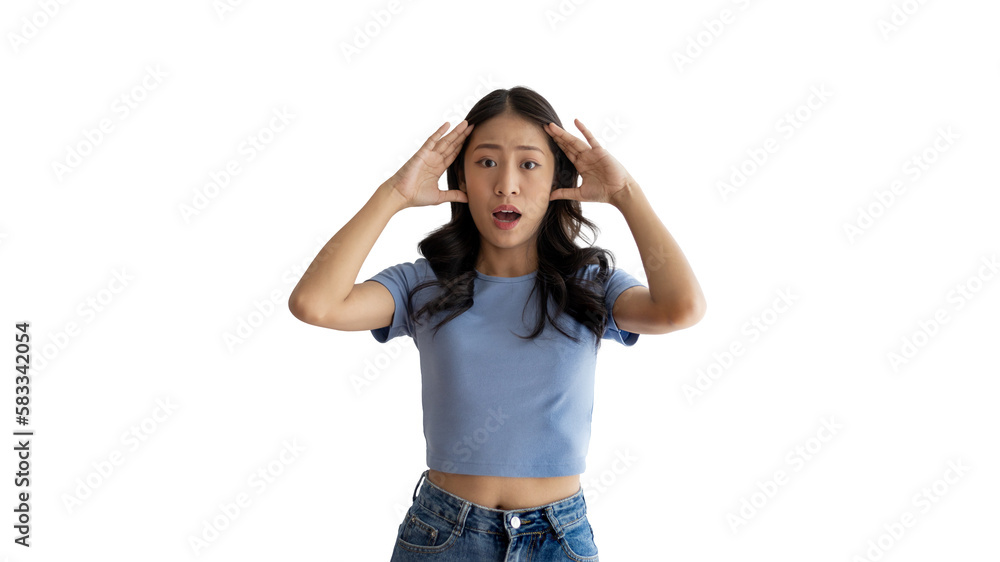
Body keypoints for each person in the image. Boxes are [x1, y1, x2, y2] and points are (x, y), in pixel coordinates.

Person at [289, 86, 706, 561]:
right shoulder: (422, 285)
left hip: (558, 538)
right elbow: (313, 304)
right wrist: (394, 195)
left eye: (528, 164)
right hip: (443, 535)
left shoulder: (590, 284)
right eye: (486, 162)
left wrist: (626, 195)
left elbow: (682, 308)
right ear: (460, 175)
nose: (506, 184)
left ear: (558, 180)